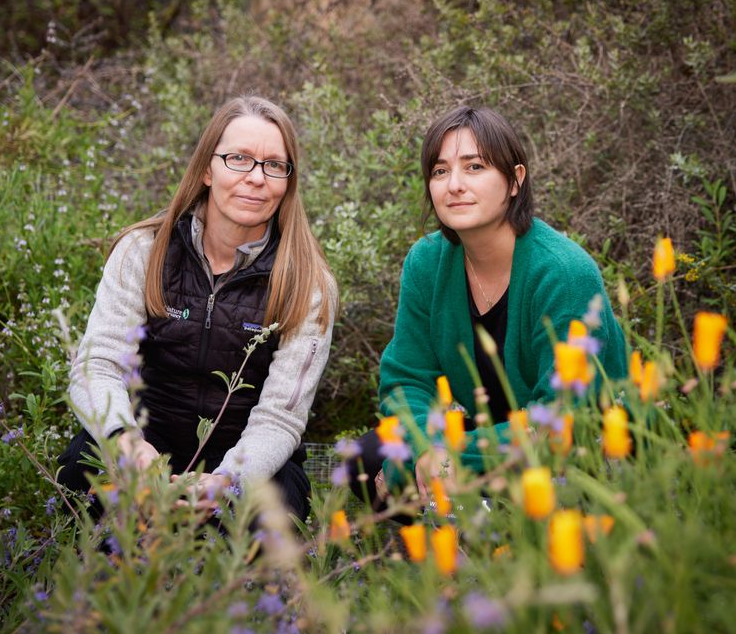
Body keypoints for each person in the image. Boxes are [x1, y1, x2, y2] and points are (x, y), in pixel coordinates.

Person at [57, 95, 336, 522]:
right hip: (143, 449)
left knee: (274, 503)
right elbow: (97, 364)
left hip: (245, 465)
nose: (256, 178)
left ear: (287, 181)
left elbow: (281, 417)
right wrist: (126, 444)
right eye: (239, 159)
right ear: (207, 169)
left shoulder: (307, 283)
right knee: (83, 464)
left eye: (274, 165)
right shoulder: (144, 251)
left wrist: (228, 482)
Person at [348, 105, 626, 503]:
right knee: (367, 460)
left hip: (584, 450)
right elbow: (406, 378)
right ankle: (436, 549)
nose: (454, 185)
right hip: (490, 432)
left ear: (515, 181)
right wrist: (426, 448)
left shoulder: (564, 274)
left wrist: (456, 455)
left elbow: (565, 416)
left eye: (474, 167)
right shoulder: (427, 262)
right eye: (440, 171)